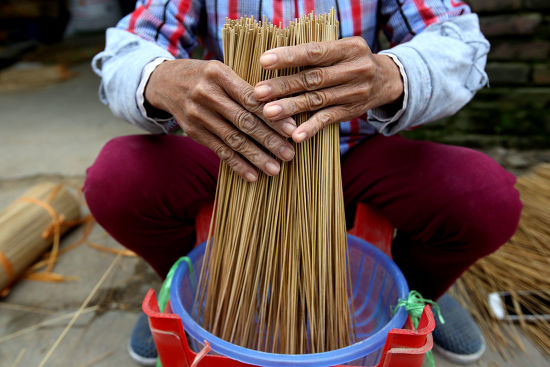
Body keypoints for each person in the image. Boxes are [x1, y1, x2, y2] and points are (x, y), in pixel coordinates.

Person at [86, 0, 522, 365]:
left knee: (483, 197)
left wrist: (390, 73)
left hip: (350, 147)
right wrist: (159, 79)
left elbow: (457, 40)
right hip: (236, 149)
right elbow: (130, 49)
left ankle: (415, 289)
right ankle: (186, 285)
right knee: (119, 177)